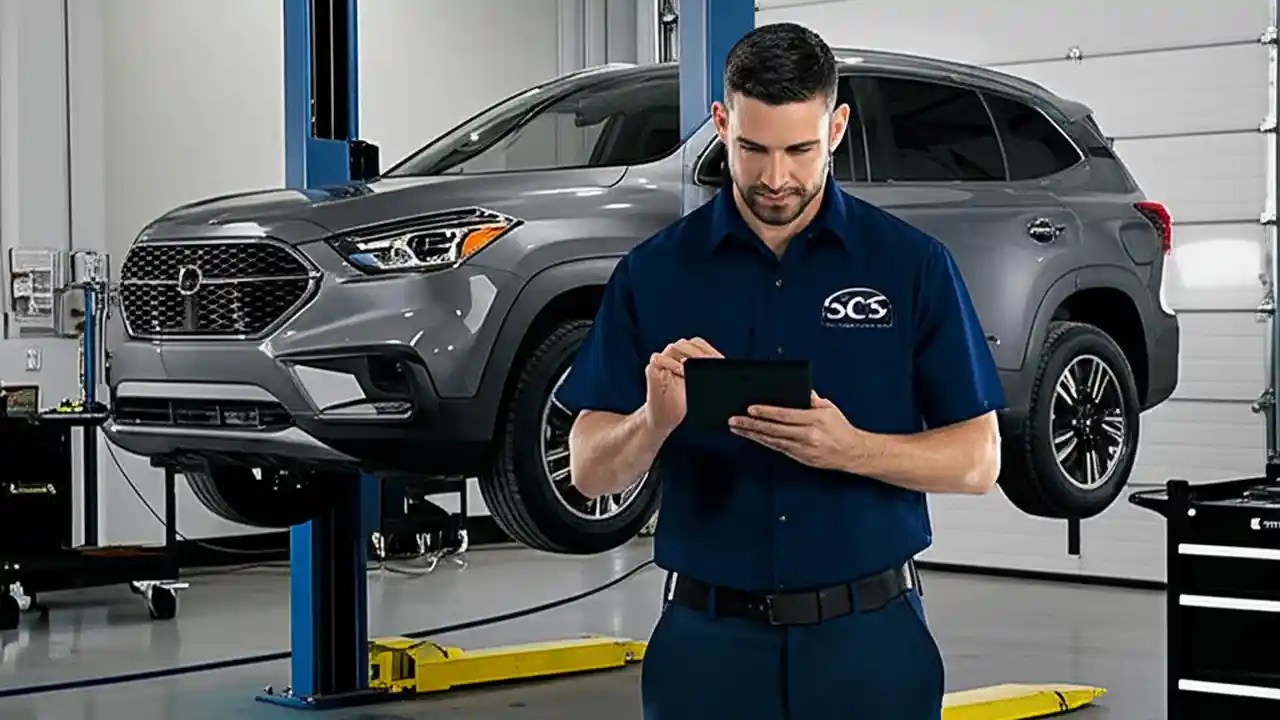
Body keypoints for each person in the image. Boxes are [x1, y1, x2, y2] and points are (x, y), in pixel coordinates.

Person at [553, 22, 1005, 720]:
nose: (775, 177)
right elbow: (588, 471)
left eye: (799, 149)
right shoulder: (655, 273)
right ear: (721, 122)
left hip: (871, 644)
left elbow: (978, 461)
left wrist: (851, 448)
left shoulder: (911, 267)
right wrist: (652, 421)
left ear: (836, 127)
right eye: (752, 149)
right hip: (706, 651)